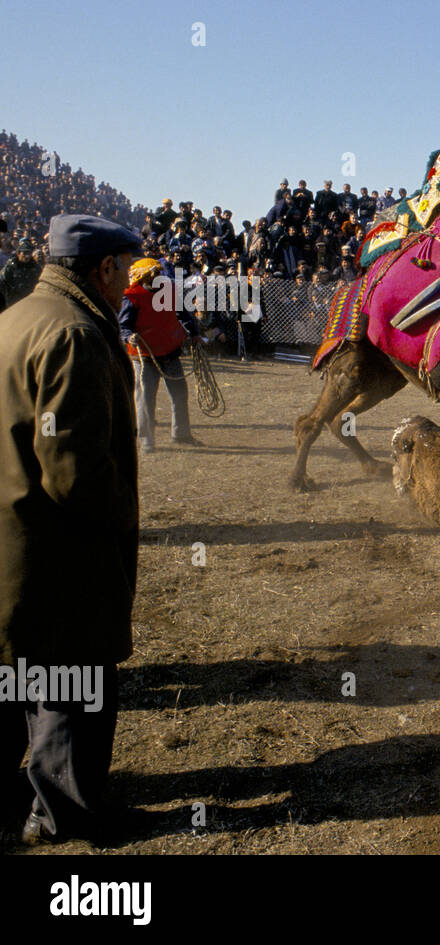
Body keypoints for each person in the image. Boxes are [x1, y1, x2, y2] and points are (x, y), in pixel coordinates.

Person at [0, 214, 142, 846]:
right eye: (126, 271)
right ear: (102, 268)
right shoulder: (75, 335)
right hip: (59, 549)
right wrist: (122, 518)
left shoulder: (14, 321)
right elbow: (74, 474)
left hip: (13, 533)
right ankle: (62, 815)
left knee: (19, 674)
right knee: (69, 683)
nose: (130, 285)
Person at [119, 258, 200, 451]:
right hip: (145, 356)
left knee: (179, 394)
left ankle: (181, 434)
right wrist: (129, 337)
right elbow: (123, 325)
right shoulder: (132, 296)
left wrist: (194, 333)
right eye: (152, 274)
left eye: (158, 273)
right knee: (145, 397)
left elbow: (183, 315)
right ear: (143, 277)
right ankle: (147, 440)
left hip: (170, 352)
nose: (157, 276)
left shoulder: (170, 291)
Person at [0, 237, 42, 312]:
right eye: (24, 253)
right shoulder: (11, 267)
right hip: (13, 303)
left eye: (29, 253)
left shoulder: (35, 267)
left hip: (31, 302)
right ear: (18, 253)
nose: (27, 256)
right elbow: (3, 283)